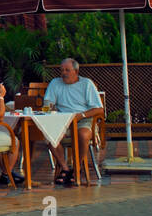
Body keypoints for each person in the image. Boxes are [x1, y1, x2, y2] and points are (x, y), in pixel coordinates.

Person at [43, 58, 105, 186]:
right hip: (61, 119)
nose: (63, 73)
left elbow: (99, 109)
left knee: (83, 134)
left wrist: (81, 115)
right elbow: (48, 104)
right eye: (62, 70)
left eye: (67, 70)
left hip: (83, 118)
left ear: (76, 71)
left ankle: (77, 167)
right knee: (49, 135)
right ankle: (66, 168)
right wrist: (50, 107)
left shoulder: (86, 84)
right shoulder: (55, 83)